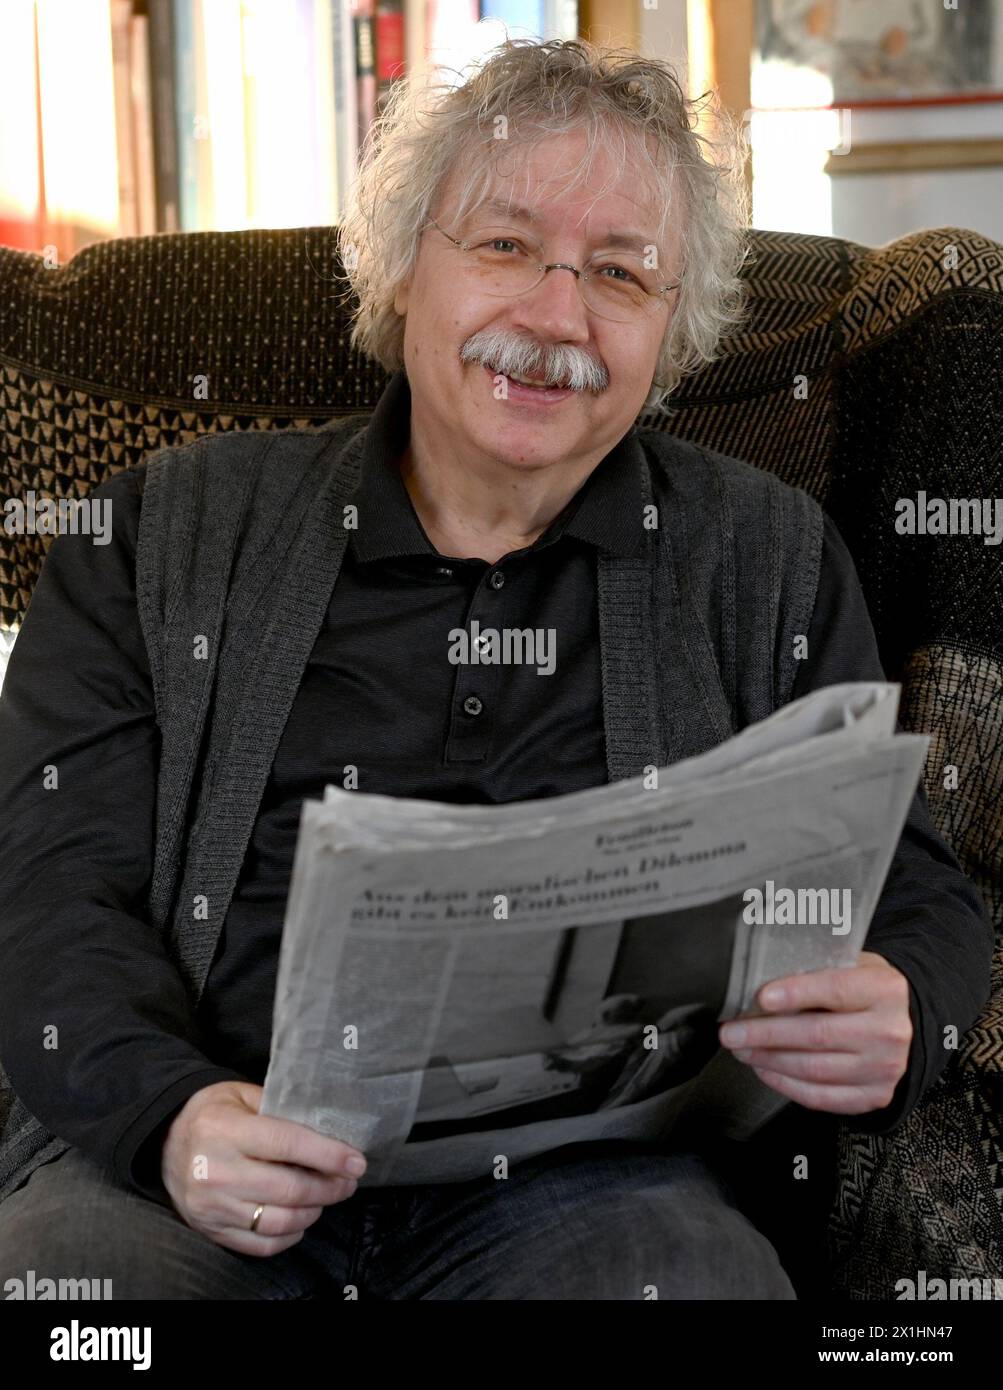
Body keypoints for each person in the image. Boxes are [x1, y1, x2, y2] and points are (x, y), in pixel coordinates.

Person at [0, 38, 992, 1301]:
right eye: (505, 246)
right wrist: (173, 1117)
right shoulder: (157, 533)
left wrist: (900, 1004)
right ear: (405, 267)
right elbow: (44, 892)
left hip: (596, 1193)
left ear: (668, 333)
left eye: (620, 274)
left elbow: (914, 892)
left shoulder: (763, 552)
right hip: (188, 1177)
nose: (555, 319)